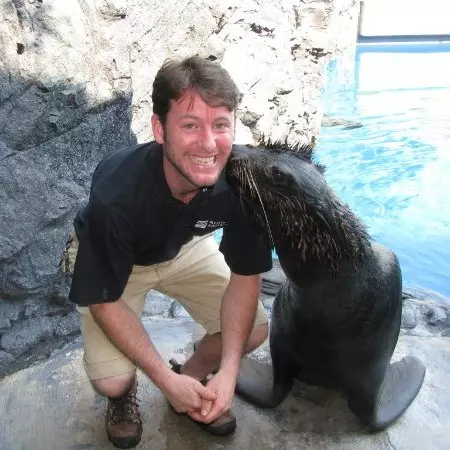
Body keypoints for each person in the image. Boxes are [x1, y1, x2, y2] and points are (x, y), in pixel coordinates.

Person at [66, 55, 272, 449]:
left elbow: (246, 277)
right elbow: (104, 302)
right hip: (119, 262)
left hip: (185, 246)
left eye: (220, 125)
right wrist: (161, 378)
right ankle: (125, 396)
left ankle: (193, 376)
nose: (209, 144)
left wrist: (228, 372)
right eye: (190, 125)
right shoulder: (116, 198)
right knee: (112, 379)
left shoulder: (246, 183)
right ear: (160, 129)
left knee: (254, 331)